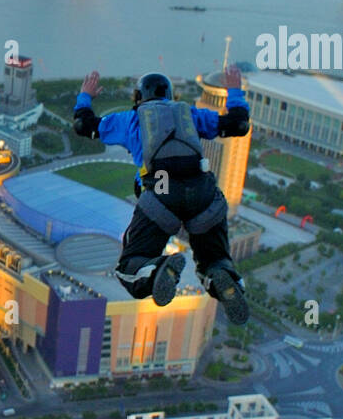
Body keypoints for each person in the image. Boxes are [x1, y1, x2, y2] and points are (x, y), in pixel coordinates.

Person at [72, 66, 251, 324]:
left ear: (139, 98)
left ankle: (155, 272)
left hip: (163, 189)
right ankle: (225, 279)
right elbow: (238, 124)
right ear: (171, 96)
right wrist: (235, 91)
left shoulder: (131, 119)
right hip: (202, 190)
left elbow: (83, 125)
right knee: (215, 259)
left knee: (130, 266)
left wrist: (85, 96)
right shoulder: (189, 114)